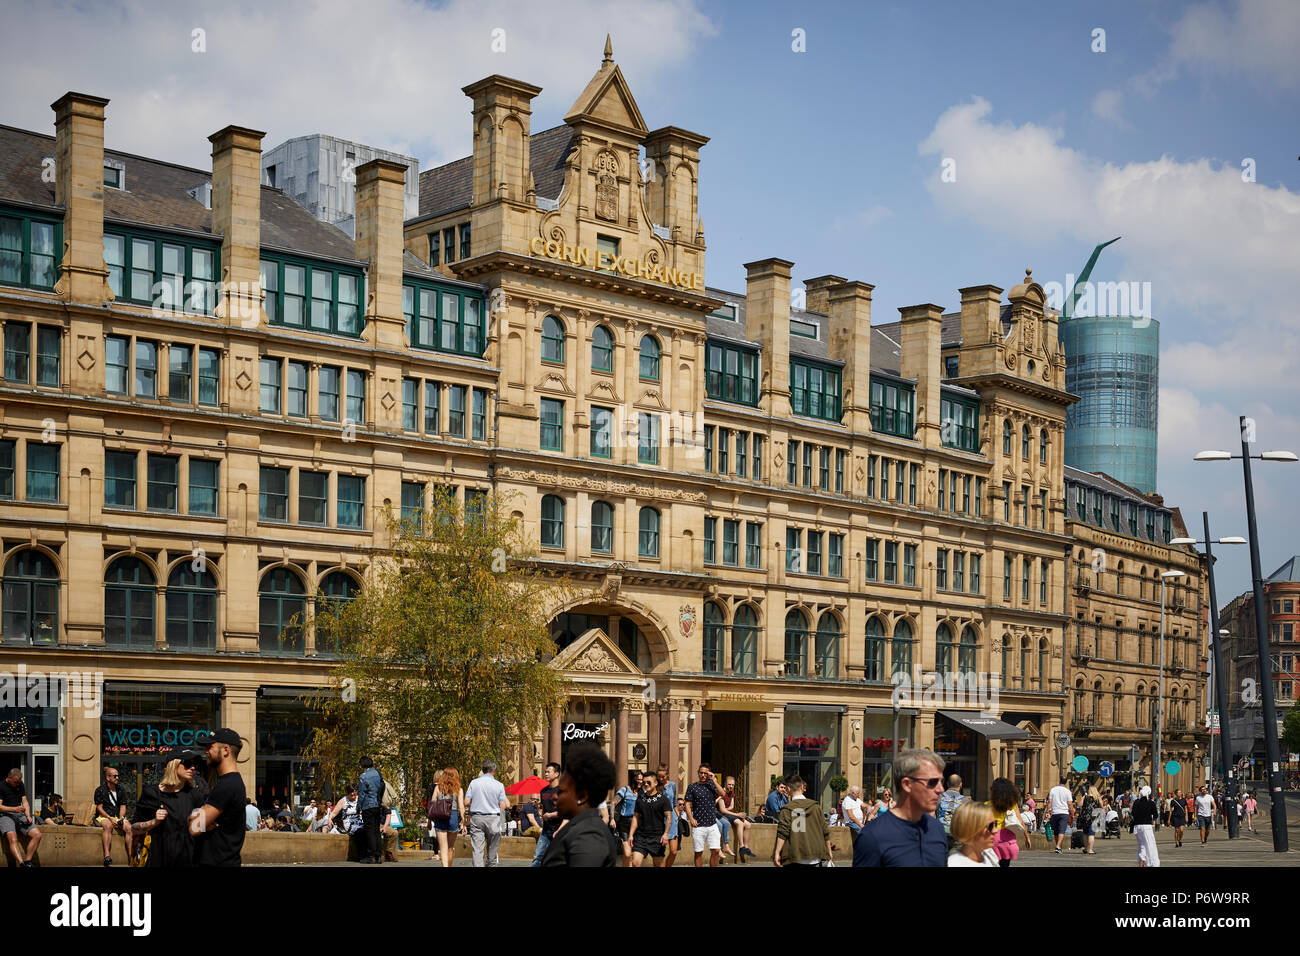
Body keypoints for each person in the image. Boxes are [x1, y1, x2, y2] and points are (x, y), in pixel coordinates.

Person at [853, 748, 948, 867]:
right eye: (933, 782)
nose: (941, 789)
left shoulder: (936, 828)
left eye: (941, 781)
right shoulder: (873, 836)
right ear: (907, 784)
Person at [541, 742, 621, 867]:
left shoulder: (589, 834)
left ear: (582, 796)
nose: (556, 796)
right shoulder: (579, 826)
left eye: (562, 791)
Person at [189, 728, 247, 867]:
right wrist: (198, 815)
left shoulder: (227, 786)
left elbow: (195, 827)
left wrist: (194, 816)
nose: (206, 751)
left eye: (210, 747)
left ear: (226, 750)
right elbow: (199, 822)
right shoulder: (230, 782)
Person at [131, 757, 198, 867]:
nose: (192, 768)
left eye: (194, 764)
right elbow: (133, 829)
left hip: (187, 860)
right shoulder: (151, 793)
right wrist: (154, 822)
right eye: (187, 764)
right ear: (173, 765)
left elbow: (200, 831)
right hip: (158, 859)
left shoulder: (195, 795)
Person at [773, 774, 832, 867]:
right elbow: (825, 831)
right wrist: (829, 851)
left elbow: (783, 832)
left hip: (795, 856)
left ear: (788, 789)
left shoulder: (787, 809)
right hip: (815, 856)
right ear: (801, 786)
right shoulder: (816, 807)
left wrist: (777, 853)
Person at [464, 759, 510, 867]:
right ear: (494, 770)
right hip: (494, 818)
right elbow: (503, 805)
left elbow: (466, 802)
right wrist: (501, 824)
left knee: (477, 850)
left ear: (483, 769)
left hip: (477, 818)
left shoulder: (474, 783)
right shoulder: (499, 785)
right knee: (492, 851)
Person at [626, 769, 672, 867]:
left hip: (657, 838)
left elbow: (668, 817)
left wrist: (666, 834)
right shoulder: (640, 798)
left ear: (655, 783)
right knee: (635, 863)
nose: (645, 784)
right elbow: (635, 817)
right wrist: (631, 835)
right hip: (641, 837)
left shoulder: (663, 799)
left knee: (658, 865)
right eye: (644, 782)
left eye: (648, 782)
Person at [684, 763, 724, 867]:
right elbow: (687, 804)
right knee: (698, 853)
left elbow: (723, 794)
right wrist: (691, 818)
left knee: (716, 851)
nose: (703, 775)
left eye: (705, 773)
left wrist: (714, 780)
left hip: (712, 824)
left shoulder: (711, 785)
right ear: (698, 773)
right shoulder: (692, 787)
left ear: (709, 774)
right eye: (701, 773)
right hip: (698, 825)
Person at [0, 767, 41, 867]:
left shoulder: (20, 784)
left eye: (19, 782)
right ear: (9, 778)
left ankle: (27, 862)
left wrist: (28, 815)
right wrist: (14, 809)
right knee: (13, 839)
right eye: (15, 782)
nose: (17, 784)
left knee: (37, 835)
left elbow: (25, 801)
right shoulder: (1, 786)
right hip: (5, 815)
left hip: (20, 814)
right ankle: (21, 863)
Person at [94, 766, 133, 866]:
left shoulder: (121, 790)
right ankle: (107, 856)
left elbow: (123, 806)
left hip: (116, 816)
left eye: (118, 776)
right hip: (104, 816)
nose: (117, 778)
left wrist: (121, 818)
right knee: (108, 826)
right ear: (108, 778)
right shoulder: (100, 790)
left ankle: (130, 856)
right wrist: (109, 817)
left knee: (129, 828)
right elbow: (99, 808)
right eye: (115, 776)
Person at [428, 766, 466, 868]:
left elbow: (432, 805)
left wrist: (429, 821)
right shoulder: (459, 790)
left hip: (440, 816)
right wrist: (464, 823)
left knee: (443, 848)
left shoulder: (438, 788)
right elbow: (461, 808)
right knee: (450, 847)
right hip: (453, 816)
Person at [947, 800, 998, 867]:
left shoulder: (990, 855)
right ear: (971, 830)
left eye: (995, 824)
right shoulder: (954, 864)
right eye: (990, 826)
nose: (995, 830)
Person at [989, 777, 1025, 867]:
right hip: (1008, 840)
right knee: (1005, 864)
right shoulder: (1012, 805)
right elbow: (1020, 822)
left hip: (993, 838)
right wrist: (1027, 837)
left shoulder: (988, 805)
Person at [531, 761, 562, 866]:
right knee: (537, 858)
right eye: (545, 772)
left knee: (556, 860)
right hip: (546, 830)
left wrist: (551, 815)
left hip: (559, 830)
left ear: (557, 774)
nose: (546, 774)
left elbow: (567, 812)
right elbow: (544, 809)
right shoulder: (543, 791)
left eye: (549, 772)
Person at [356, 756, 385, 864]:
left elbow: (362, 794)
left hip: (368, 806)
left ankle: (371, 855)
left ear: (362, 765)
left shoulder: (363, 776)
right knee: (376, 830)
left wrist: (358, 807)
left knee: (369, 831)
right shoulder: (378, 773)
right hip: (378, 805)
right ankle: (378, 856)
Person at [612, 771, 641, 865]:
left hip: (637, 825)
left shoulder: (643, 793)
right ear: (634, 780)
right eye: (639, 779)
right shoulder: (625, 790)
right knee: (627, 854)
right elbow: (613, 803)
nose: (641, 782)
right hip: (624, 824)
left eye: (642, 779)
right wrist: (612, 818)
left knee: (634, 855)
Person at [657, 762, 680, 866]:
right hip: (659, 820)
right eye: (659, 776)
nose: (661, 779)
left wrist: (678, 813)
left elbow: (674, 802)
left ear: (667, 775)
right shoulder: (655, 786)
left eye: (663, 776)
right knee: (660, 852)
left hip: (672, 820)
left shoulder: (672, 785)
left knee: (674, 851)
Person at [935, 773, 968, 846]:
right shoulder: (965, 801)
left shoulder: (939, 797)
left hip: (940, 833)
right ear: (961, 784)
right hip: (956, 835)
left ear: (947, 784)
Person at [1132, 785, 1160, 867]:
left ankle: (1141, 863)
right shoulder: (1150, 802)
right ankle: (1151, 863)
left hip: (1137, 827)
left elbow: (1133, 813)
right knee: (1150, 846)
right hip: (1146, 826)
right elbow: (1156, 815)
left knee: (1142, 846)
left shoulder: (1136, 802)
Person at [1047, 776, 1074, 854]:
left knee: (1056, 831)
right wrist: (1072, 814)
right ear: (1066, 782)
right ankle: (1058, 846)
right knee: (1062, 830)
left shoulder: (1053, 789)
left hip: (1055, 812)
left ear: (1060, 780)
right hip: (1064, 813)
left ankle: (1058, 846)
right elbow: (1070, 804)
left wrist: (1048, 811)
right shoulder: (1067, 791)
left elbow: (1049, 802)